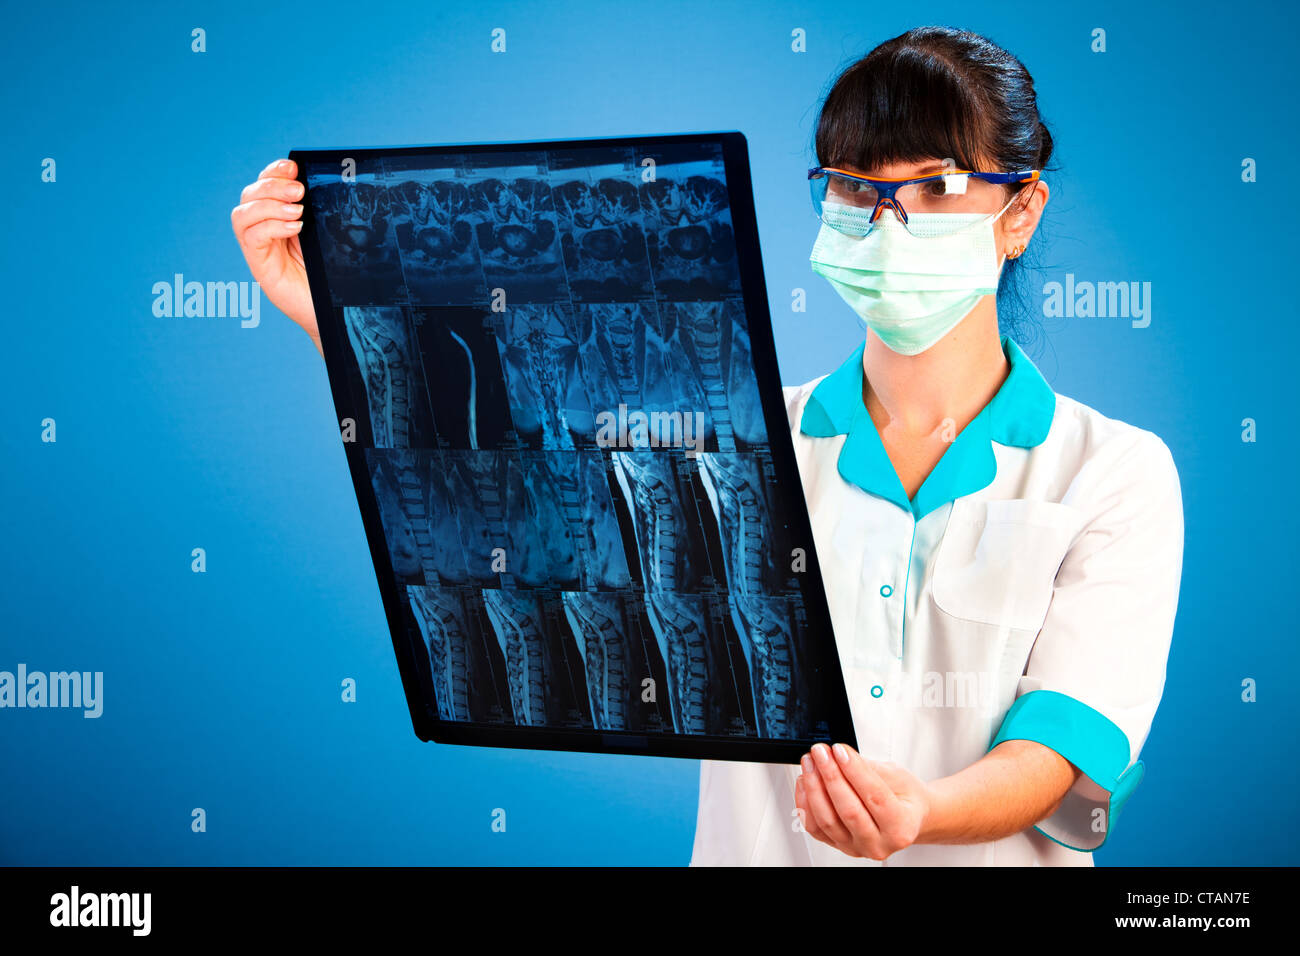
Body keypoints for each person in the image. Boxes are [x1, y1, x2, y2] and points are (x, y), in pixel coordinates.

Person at [231, 25, 1183, 867]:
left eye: (934, 189)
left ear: (1020, 213)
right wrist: (341, 322)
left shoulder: (1111, 472)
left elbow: (1070, 743)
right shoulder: (734, 441)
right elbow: (519, 518)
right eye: (857, 191)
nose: (888, 227)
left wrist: (922, 813)